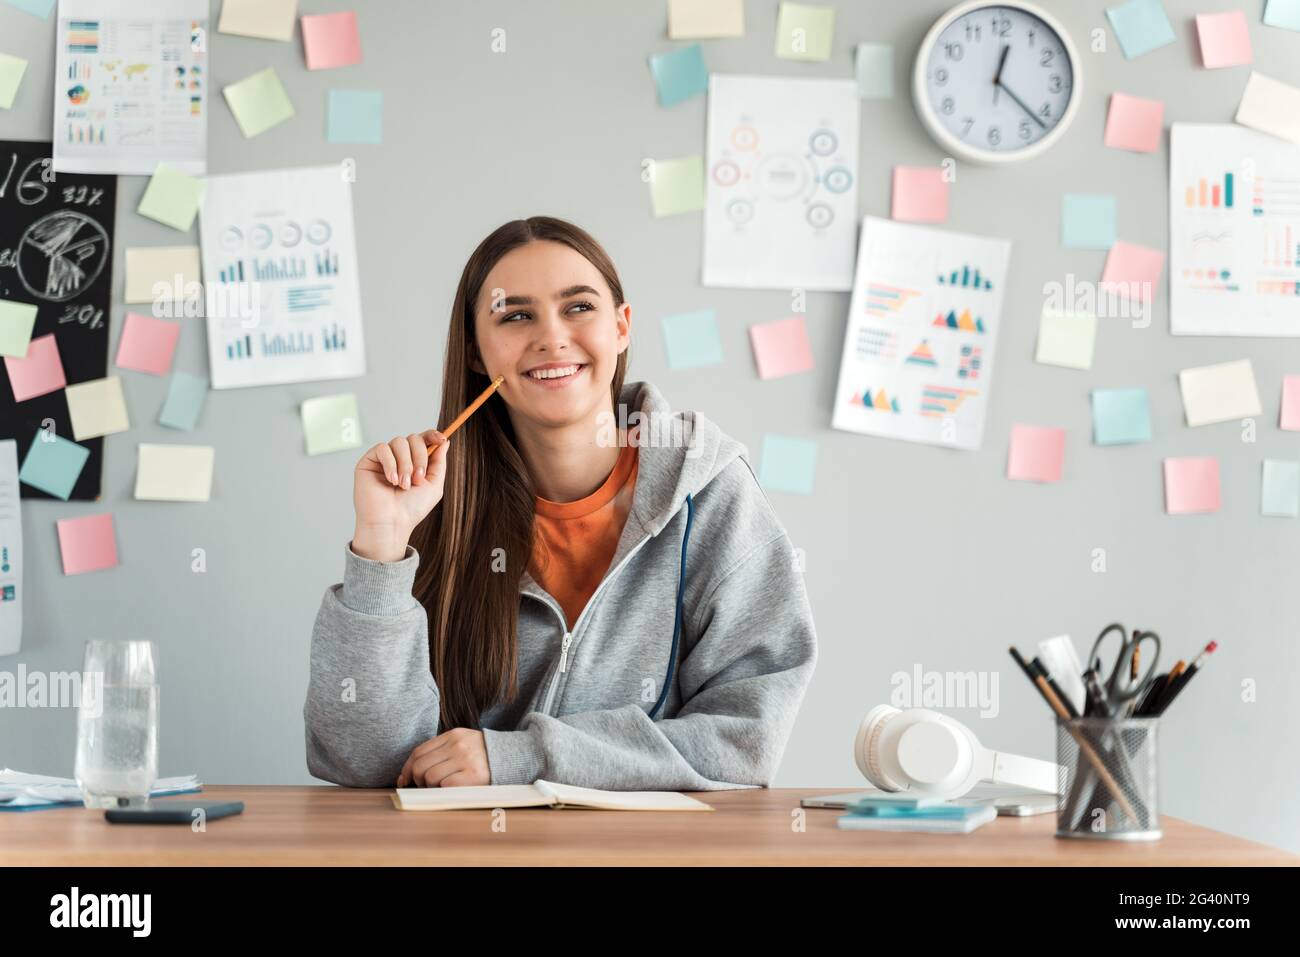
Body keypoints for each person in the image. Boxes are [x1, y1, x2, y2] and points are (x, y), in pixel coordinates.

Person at [304, 216, 818, 790]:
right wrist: (381, 543)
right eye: (515, 315)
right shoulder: (434, 501)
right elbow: (364, 762)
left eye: (578, 308)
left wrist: (526, 757)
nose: (551, 338)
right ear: (476, 352)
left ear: (622, 328)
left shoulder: (713, 493)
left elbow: (745, 741)